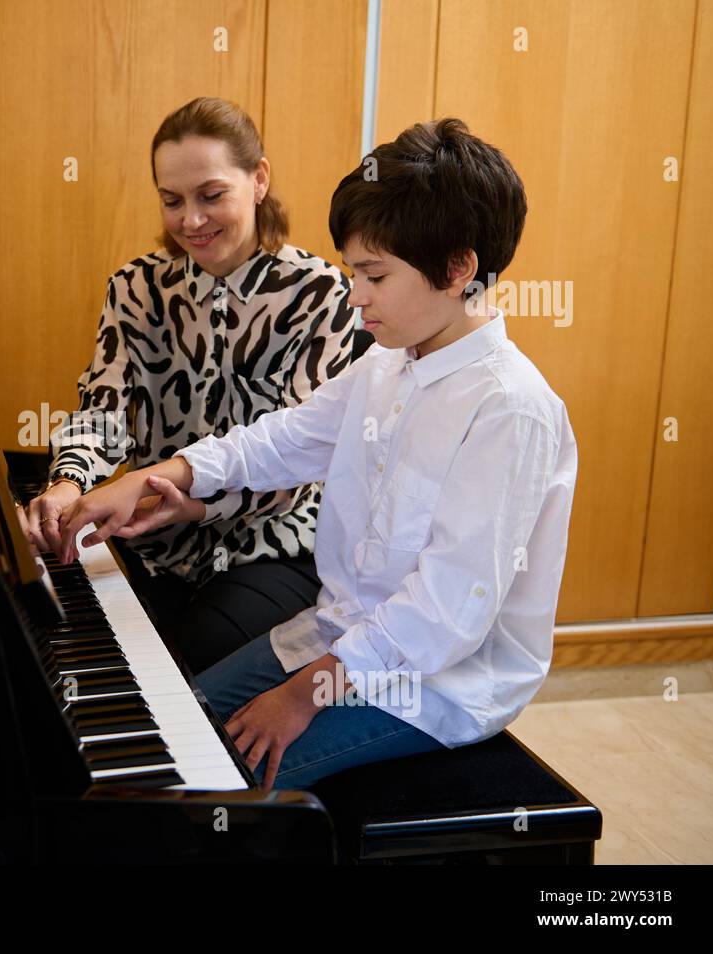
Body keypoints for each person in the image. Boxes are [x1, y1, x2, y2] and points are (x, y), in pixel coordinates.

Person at [56, 118, 578, 791]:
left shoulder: (508, 407)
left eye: (374, 275)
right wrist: (160, 476)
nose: (355, 295)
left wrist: (303, 695)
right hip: (337, 634)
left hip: (435, 686)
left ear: (457, 271)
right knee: (165, 719)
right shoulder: (391, 364)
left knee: (198, 781)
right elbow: (285, 438)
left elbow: (444, 616)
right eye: (352, 272)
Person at [23, 96, 360, 674]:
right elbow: (102, 409)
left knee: (180, 672)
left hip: (270, 543)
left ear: (258, 180)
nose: (191, 221)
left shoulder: (320, 292)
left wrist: (194, 505)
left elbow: (299, 456)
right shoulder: (135, 287)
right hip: (152, 539)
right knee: (64, 646)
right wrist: (67, 480)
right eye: (172, 200)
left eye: (211, 195)